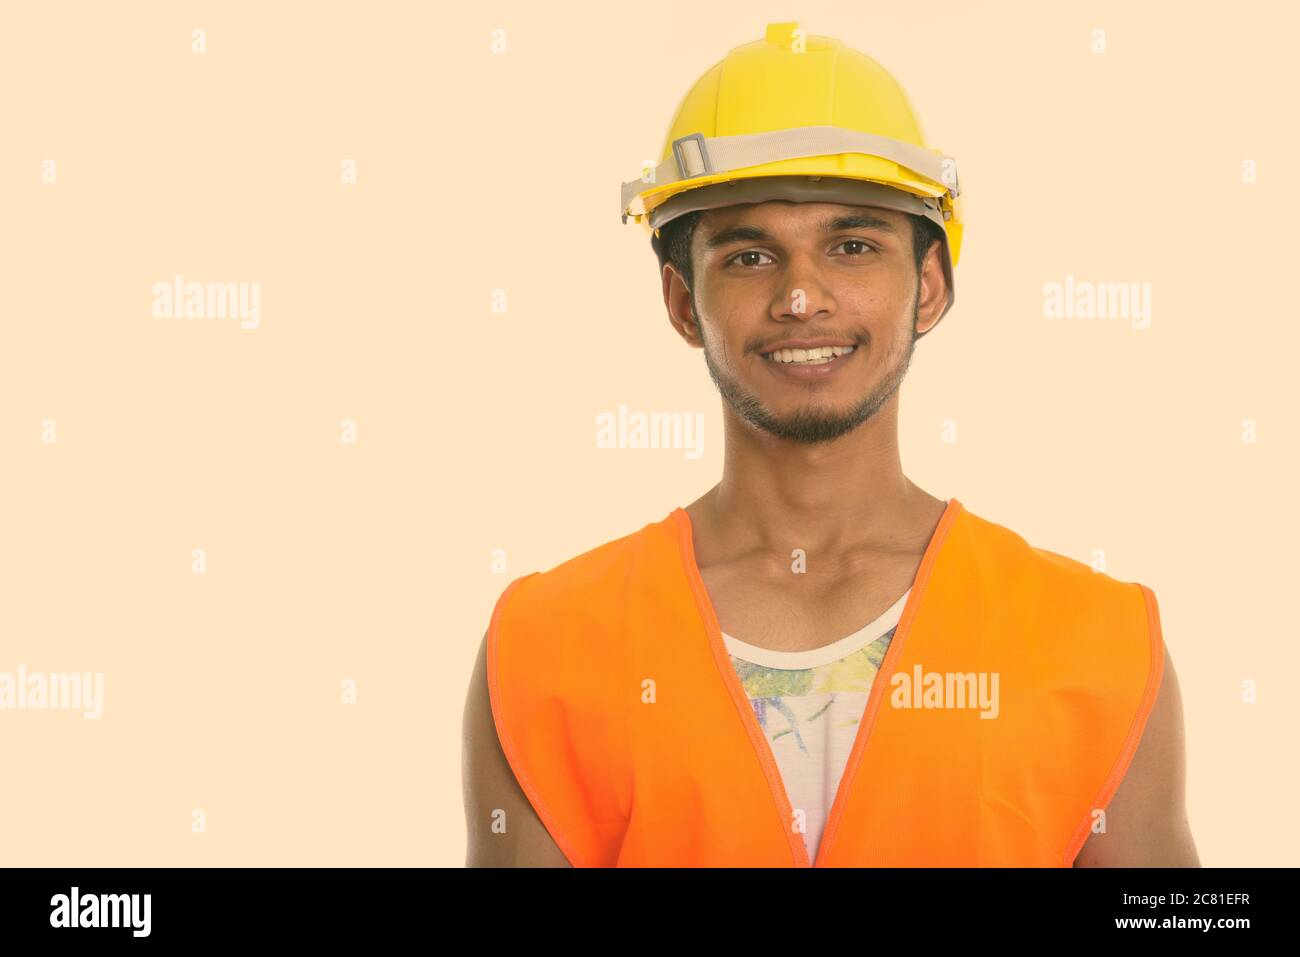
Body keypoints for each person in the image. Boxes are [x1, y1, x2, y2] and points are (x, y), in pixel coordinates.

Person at [462, 22, 1198, 867]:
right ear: (680, 301)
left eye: (852, 246)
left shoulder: (1098, 641)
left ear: (928, 286)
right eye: (747, 255)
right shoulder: (545, 647)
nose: (802, 296)